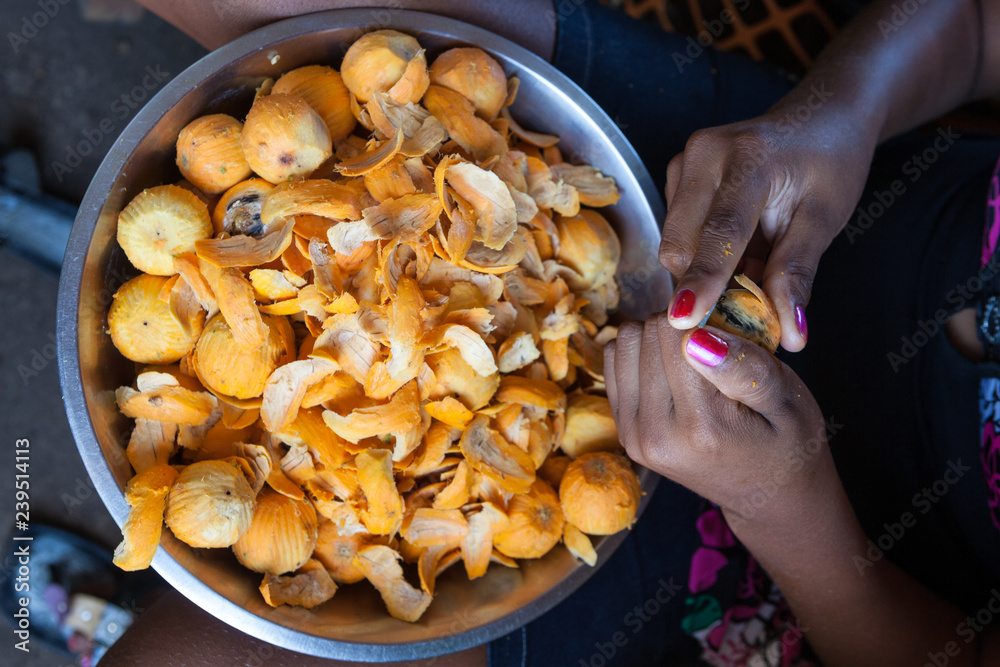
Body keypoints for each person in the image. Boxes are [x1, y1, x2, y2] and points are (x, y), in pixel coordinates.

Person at [101, 0, 1000, 664]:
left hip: (806, 579)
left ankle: (72, 605)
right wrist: (843, 115)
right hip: (759, 196)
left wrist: (780, 505)